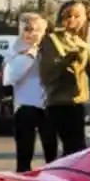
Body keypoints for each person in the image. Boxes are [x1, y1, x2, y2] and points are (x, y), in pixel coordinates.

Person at [40, 1, 90, 156]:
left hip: (80, 102)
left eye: (78, 16)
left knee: (78, 148)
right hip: (60, 101)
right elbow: (47, 73)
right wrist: (69, 60)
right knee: (71, 149)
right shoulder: (52, 40)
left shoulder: (83, 42)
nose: (73, 20)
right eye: (68, 16)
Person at [4, 14, 57, 172]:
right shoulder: (16, 48)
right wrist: (29, 55)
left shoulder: (51, 47)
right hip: (25, 105)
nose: (31, 34)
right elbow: (10, 77)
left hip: (48, 103)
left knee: (51, 149)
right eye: (26, 29)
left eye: (36, 30)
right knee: (24, 151)